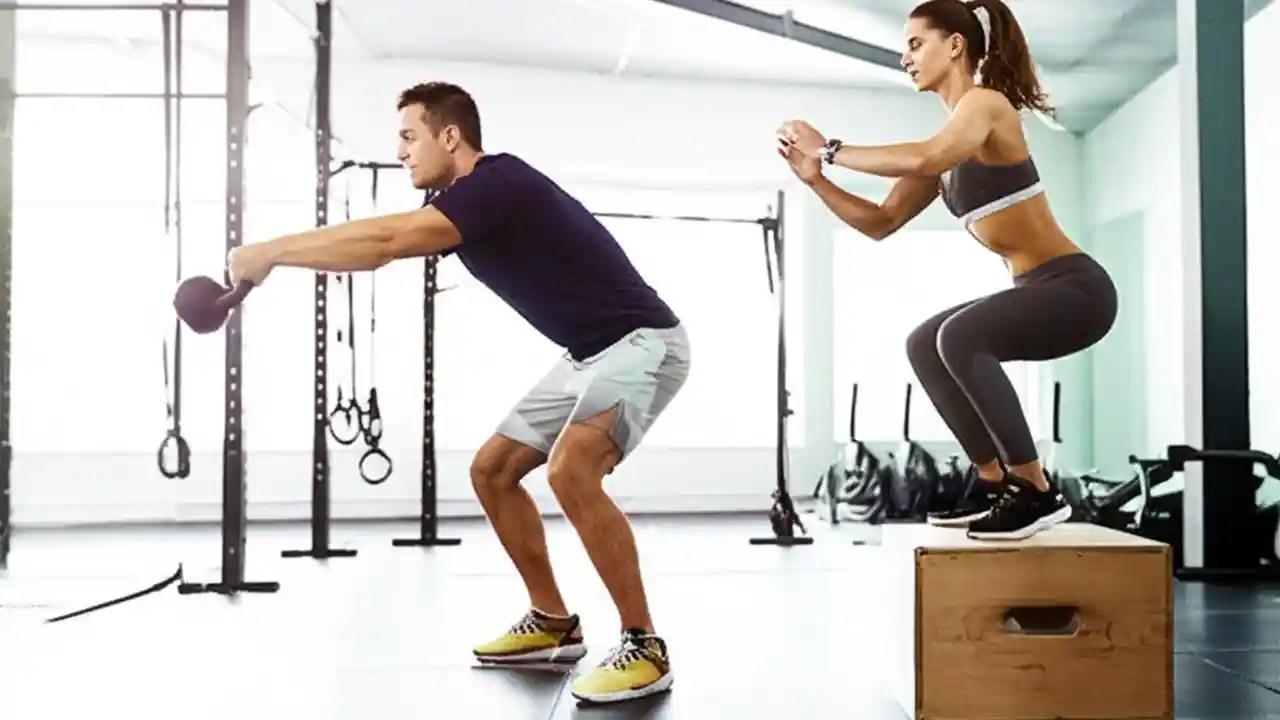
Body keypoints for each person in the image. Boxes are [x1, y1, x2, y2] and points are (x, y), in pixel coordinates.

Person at [227, 81, 687, 704]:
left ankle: (644, 644)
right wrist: (279, 258)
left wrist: (274, 249)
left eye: (409, 137)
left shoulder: (498, 184)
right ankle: (552, 621)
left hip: (644, 343)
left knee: (571, 472)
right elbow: (376, 252)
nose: (400, 153)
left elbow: (387, 241)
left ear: (450, 136)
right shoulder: (462, 203)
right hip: (589, 354)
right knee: (493, 471)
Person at [776, 0, 1117, 540]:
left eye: (915, 44)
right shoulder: (946, 153)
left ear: (954, 46)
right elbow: (881, 221)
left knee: (959, 336)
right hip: (1040, 287)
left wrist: (832, 149)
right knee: (924, 341)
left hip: (1076, 290)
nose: (905, 58)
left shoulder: (985, 106)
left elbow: (926, 156)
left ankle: (1036, 490)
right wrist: (816, 179)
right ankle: (990, 481)